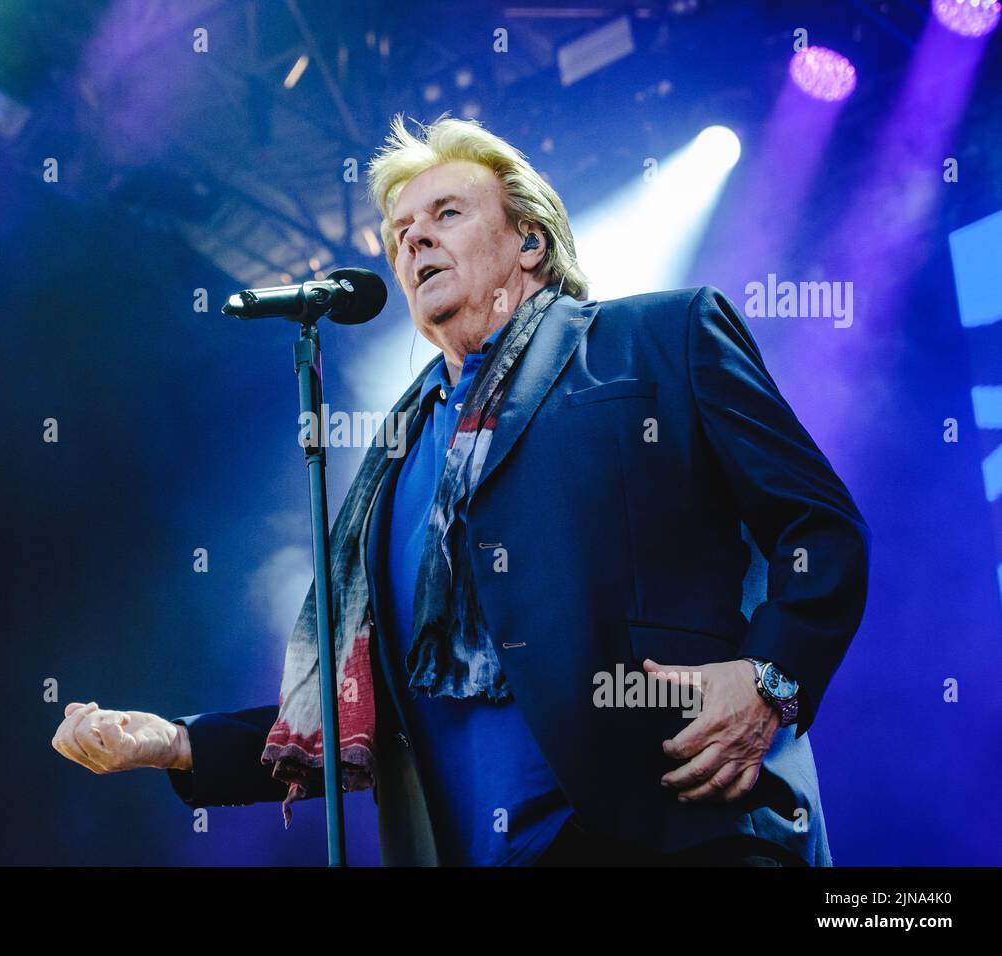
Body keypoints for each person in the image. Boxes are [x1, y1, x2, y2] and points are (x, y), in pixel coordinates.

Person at [51, 114, 870, 866]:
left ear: (529, 242)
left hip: (686, 830)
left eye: (445, 215)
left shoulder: (658, 340)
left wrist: (772, 676)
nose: (413, 245)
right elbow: (363, 705)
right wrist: (178, 743)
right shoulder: (397, 460)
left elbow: (819, 529)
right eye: (400, 232)